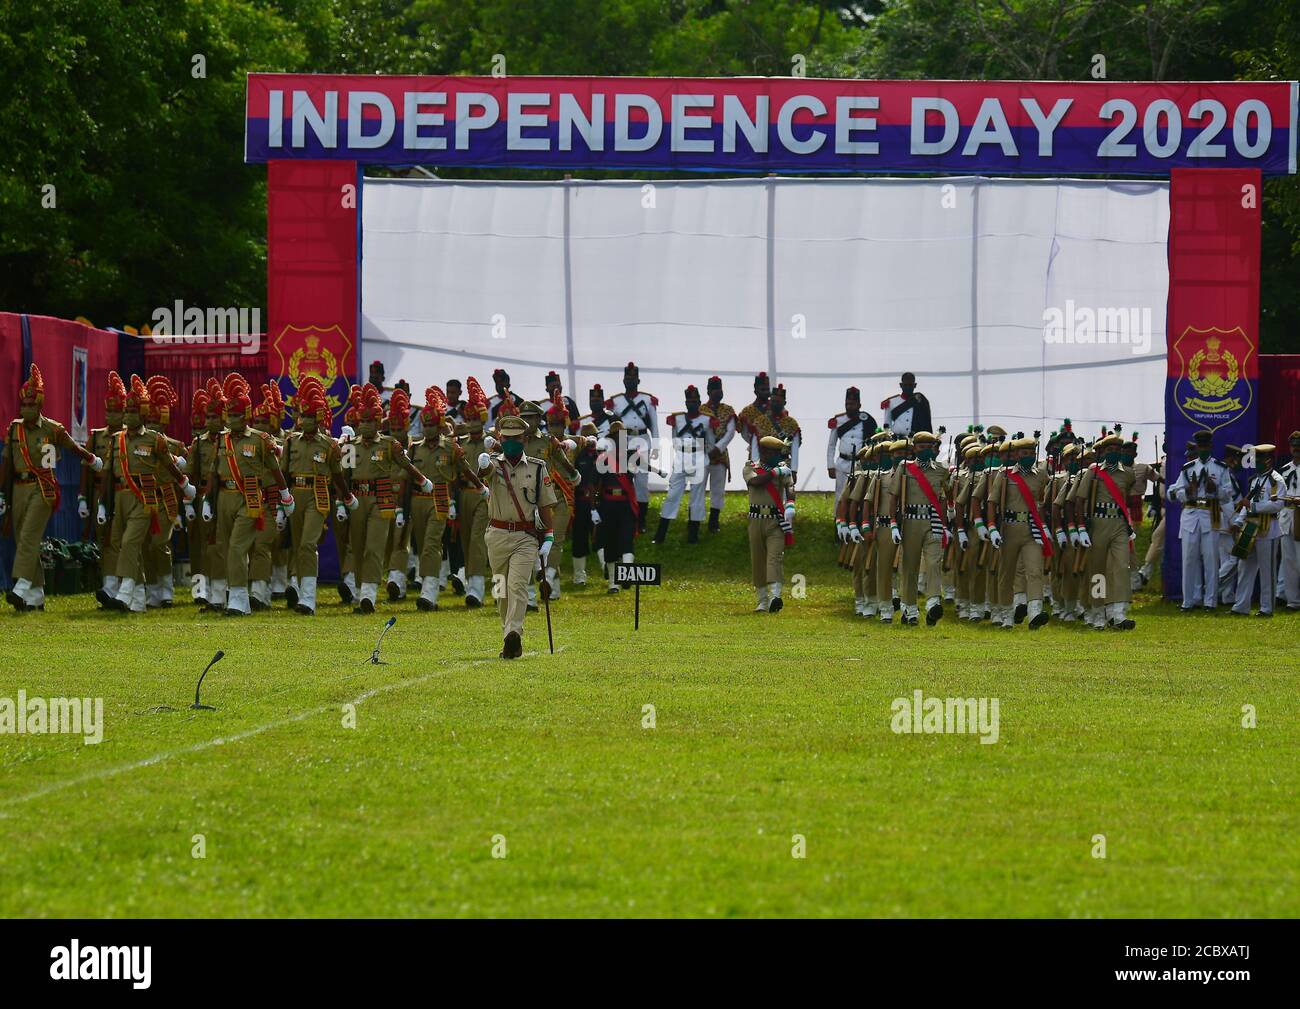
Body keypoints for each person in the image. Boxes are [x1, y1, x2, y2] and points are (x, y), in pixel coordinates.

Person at [1, 365, 104, 611]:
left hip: (43, 489)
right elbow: (6, 464)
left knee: (28, 536)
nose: (25, 408)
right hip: (19, 488)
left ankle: (21, 586)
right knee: (27, 540)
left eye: (30, 404)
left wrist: (91, 459)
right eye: (23, 404)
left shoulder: (52, 428)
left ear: (39, 406)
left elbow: (72, 446)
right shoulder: (14, 429)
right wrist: (3, 494)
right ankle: (36, 596)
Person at [199, 375, 292, 616]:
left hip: (249, 499)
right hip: (223, 497)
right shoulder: (222, 440)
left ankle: (239, 600)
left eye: (238, 415)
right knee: (225, 547)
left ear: (247, 415)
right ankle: (235, 596)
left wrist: (285, 496)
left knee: (237, 548)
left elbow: (274, 469)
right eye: (230, 416)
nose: (233, 420)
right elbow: (212, 473)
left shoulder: (260, 439)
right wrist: (207, 501)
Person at [340, 384, 433, 614]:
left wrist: (422, 480)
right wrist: (342, 501)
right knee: (358, 546)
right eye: (362, 421)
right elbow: (344, 475)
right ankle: (362, 589)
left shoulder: (389, 444)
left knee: (373, 546)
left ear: (379, 421)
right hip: (357, 500)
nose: (365, 425)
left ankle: (368, 595)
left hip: (381, 500)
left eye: (370, 421)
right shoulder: (351, 447)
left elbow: (406, 465)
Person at [480, 412, 556, 659]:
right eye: (507, 438)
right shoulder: (493, 463)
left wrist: (549, 538)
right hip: (497, 534)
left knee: (518, 584)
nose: (512, 442)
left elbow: (545, 505)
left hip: (525, 536)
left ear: (524, 440)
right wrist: (482, 464)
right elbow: (485, 472)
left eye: (516, 438)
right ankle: (507, 633)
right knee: (500, 587)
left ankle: (514, 633)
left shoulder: (537, 467)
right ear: (501, 438)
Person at [408, 385, 488, 611]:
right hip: (451, 497)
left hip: (467, 496)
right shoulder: (419, 447)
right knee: (434, 544)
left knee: (474, 541)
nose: (471, 422)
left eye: (432, 424)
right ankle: (436, 582)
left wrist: (479, 487)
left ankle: (472, 589)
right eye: (426, 424)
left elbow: (459, 471)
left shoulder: (457, 446)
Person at [283, 377, 355, 614]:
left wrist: (346, 499)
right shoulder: (291, 441)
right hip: (294, 495)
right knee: (296, 545)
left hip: (318, 495)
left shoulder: (328, 445)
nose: (306, 421)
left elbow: (337, 476)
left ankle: (308, 598)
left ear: (319, 418)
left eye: (311, 417)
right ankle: (300, 588)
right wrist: (280, 503)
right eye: (303, 416)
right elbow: (282, 473)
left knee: (307, 543)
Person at [1071, 433, 1138, 629]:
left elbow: (1126, 499)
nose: (1114, 453)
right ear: (1103, 452)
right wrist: (1081, 528)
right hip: (1098, 523)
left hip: (1118, 523)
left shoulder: (1128, 473)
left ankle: (1118, 613)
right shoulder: (1093, 472)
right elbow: (1080, 500)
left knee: (1121, 567)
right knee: (1097, 571)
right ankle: (1098, 611)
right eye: (1110, 450)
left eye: (1118, 450)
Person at [986, 435, 1053, 629]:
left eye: (1032, 453)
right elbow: (992, 502)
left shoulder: (1040, 475)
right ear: (1016, 454)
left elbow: (1040, 502)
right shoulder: (1005, 475)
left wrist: (1044, 526)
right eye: (1025, 453)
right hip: (1009, 528)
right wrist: (991, 528)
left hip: (1031, 528)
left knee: (1035, 570)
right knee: (1006, 573)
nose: (1029, 456)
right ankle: (1006, 614)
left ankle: (1034, 613)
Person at [888, 431, 950, 626]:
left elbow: (945, 496)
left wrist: (946, 522)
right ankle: (909, 608)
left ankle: (933, 603)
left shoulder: (941, 469)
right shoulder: (905, 468)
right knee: (910, 567)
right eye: (921, 447)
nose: (925, 451)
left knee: (933, 562)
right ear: (914, 448)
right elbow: (893, 496)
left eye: (928, 448)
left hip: (933, 521)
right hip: (910, 520)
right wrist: (893, 523)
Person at [1168, 429, 1234, 612]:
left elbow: (1228, 495)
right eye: (1200, 446)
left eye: (1206, 446)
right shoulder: (1188, 468)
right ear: (1197, 447)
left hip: (1210, 513)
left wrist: (1215, 489)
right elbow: (1175, 492)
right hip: (1190, 514)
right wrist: (1188, 491)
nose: (1203, 449)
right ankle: (1188, 601)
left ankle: (1210, 602)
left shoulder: (1220, 468)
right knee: (1189, 560)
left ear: (1211, 446)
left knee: (1211, 560)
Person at [653, 384, 717, 545]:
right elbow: (674, 439)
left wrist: (702, 455)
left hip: (699, 458)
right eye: (689, 400)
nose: (692, 404)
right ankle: (660, 534)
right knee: (672, 495)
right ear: (686, 402)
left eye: (695, 401)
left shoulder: (707, 420)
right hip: (681, 457)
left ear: (699, 402)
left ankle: (693, 535)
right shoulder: (678, 419)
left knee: (697, 497)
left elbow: (710, 441)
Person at [1229, 443, 1285, 616]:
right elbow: (1246, 503)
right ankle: (1241, 606)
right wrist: (1238, 521)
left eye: (1259, 460)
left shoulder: (1276, 480)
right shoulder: (1255, 479)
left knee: (1267, 570)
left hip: (1269, 528)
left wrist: (1253, 506)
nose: (1256, 463)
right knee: (1244, 567)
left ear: (1268, 461)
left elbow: (1278, 504)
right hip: (1250, 527)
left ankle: (1266, 608)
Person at [85, 372, 126, 606]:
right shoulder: (97, 436)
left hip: (123, 492)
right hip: (100, 493)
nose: (111, 415)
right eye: (109, 411)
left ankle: (124, 585)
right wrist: (84, 497)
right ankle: (109, 586)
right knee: (105, 540)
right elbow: (86, 471)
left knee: (123, 539)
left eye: (116, 411)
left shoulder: (126, 438)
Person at [744, 435, 796, 612]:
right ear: (764, 452)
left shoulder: (783, 469)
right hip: (756, 519)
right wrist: (773, 473)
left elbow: (790, 487)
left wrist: (790, 505)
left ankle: (775, 597)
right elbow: (755, 482)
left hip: (775, 520)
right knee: (758, 559)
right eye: (774, 452)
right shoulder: (751, 467)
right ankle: (762, 600)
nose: (778, 456)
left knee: (774, 558)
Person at [455, 377, 494, 607]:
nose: (470, 423)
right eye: (467, 419)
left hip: (485, 495)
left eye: (474, 418)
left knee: (478, 538)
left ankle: (477, 590)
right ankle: (471, 584)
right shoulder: (462, 443)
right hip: (464, 495)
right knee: (466, 540)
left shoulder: (490, 442)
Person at [606, 362, 658, 533]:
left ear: (638, 380)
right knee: (624, 480)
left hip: (642, 440)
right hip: (623, 440)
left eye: (633, 378)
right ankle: (626, 517)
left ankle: (641, 520)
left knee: (642, 482)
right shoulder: (616, 401)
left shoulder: (648, 400)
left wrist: (656, 447)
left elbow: (655, 425)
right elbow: (611, 426)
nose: (630, 381)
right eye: (627, 378)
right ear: (623, 380)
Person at [594, 419, 639, 593]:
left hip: (625, 504)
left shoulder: (631, 456)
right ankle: (613, 583)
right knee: (610, 543)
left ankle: (626, 575)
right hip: (608, 504)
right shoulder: (603, 459)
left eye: (623, 436)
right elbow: (596, 482)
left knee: (627, 540)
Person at [827, 386, 877, 507]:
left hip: (860, 463)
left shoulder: (867, 419)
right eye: (847, 404)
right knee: (840, 494)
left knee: (857, 495)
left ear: (859, 405)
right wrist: (830, 465)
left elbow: (873, 443)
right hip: (842, 463)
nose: (849, 407)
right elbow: (831, 445)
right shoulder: (838, 420)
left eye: (853, 404)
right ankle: (838, 521)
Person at [700, 375, 736, 532]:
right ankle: (695, 519)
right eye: (715, 389)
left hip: (720, 455)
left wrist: (718, 448)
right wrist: (707, 450)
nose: (718, 392)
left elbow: (731, 432)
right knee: (698, 487)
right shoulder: (701, 409)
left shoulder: (728, 410)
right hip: (702, 454)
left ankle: (713, 522)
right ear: (708, 391)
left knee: (718, 489)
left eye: (720, 389)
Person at [1278, 431, 1300, 610]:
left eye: (1298, 446)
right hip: (1287, 518)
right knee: (1289, 561)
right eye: (1293, 446)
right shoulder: (1284, 470)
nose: (1296, 449)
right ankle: (1292, 600)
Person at [879, 372, 933, 438]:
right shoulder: (891, 402)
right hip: (896, 439)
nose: (908, 387)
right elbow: (887, 424)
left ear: (915, 385)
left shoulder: (920, 400)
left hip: (915, 440)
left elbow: (926, 423)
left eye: (910, 385)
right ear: (901, 385)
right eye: (905, 385)